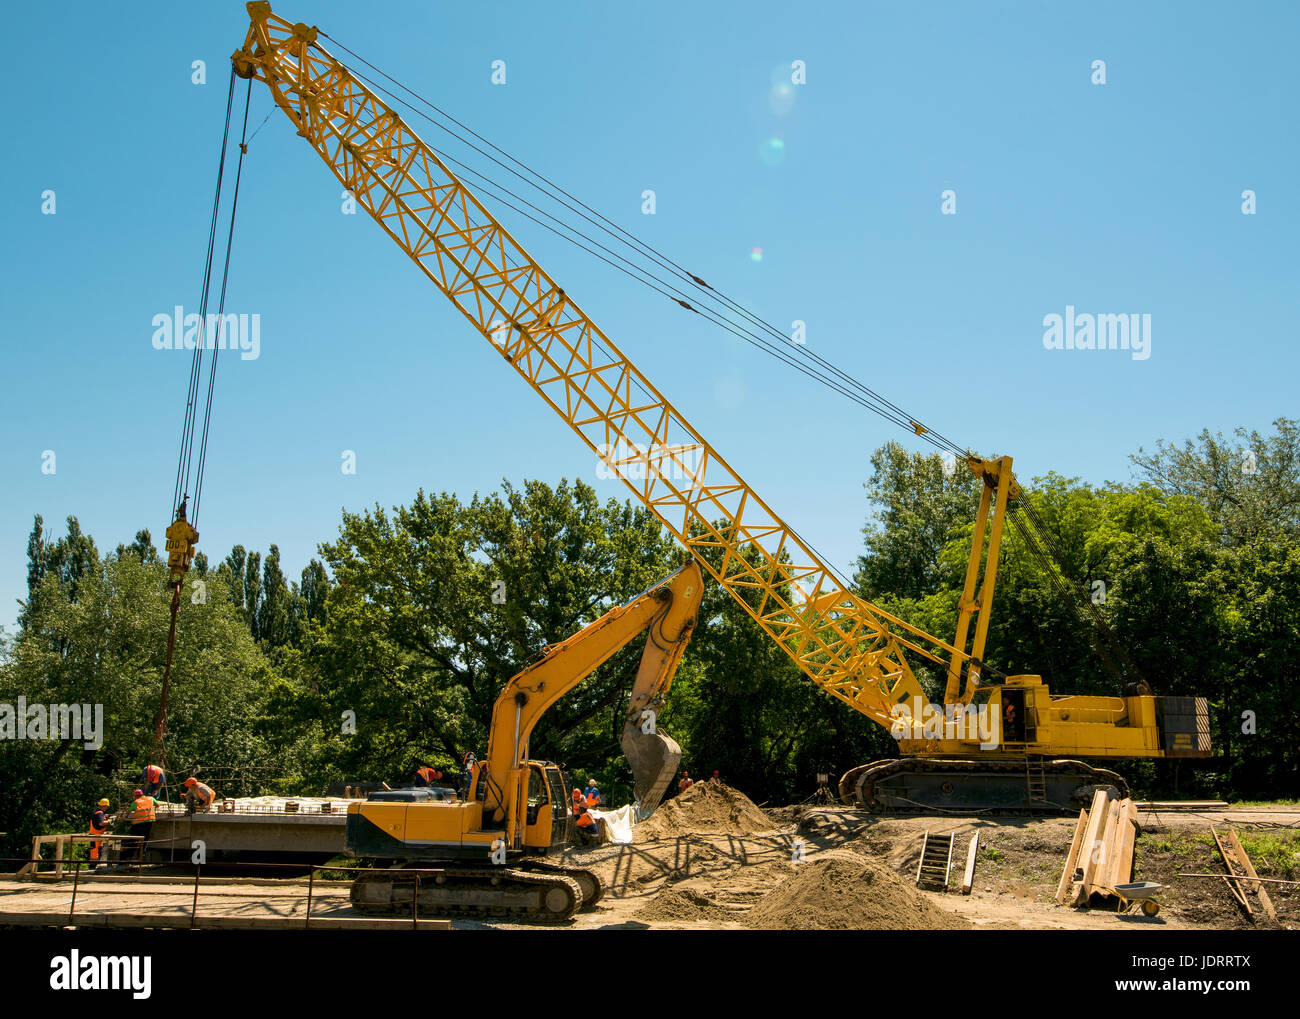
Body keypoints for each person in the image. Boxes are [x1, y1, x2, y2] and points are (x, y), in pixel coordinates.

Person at [128, 789, 157, 854]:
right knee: (146, 837)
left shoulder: (135, 802)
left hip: (138, 823)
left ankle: (131, 853)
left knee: (134, 837)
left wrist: (125, 816)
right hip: (149, 821)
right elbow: (157, 805)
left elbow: (129, 811)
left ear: (135, 796)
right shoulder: (151, 798)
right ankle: (141, 853)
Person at [88, 798, 111, 867]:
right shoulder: (99, 813)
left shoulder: (96, 812)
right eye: (106, 806)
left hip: (95, 835)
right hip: (96, 836)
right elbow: (101, 823)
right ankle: (93, 868)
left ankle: (94, 867)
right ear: (104, 806)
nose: (107, 808)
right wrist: (109, 822)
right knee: (95, 853)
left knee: (95, 851)